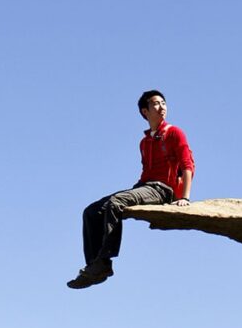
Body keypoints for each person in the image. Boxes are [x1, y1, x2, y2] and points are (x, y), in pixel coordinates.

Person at [67, 90, 195, 289]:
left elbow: (187, 165)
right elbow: (146, 172)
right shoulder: (144, 142)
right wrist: (135, 192)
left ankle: (105, 261)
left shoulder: (174, 132)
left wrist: (185, 197)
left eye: (163, 103)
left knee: (116, 202)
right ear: (145, 111)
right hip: (145, 187)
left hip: (162, 190)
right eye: (156, 104)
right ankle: (93, 265)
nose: (162, 107)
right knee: (91, 211)